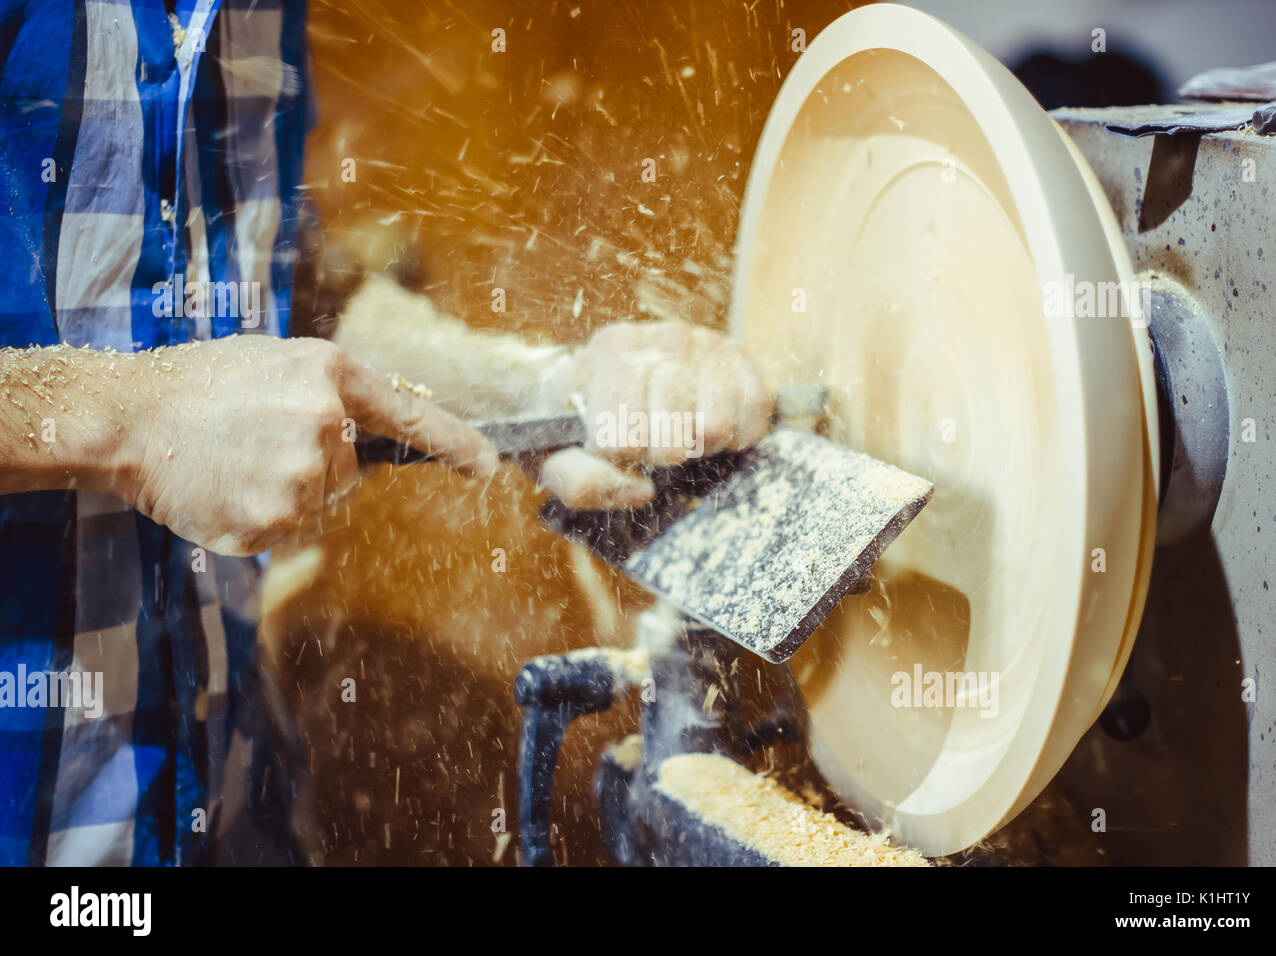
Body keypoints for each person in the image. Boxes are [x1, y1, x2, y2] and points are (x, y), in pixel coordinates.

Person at [0, 1, 770, 865]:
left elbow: (278, 296)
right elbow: (174, 384)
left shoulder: (259, 16)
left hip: (231, 802)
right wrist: (130, 418)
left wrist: (538, 390)